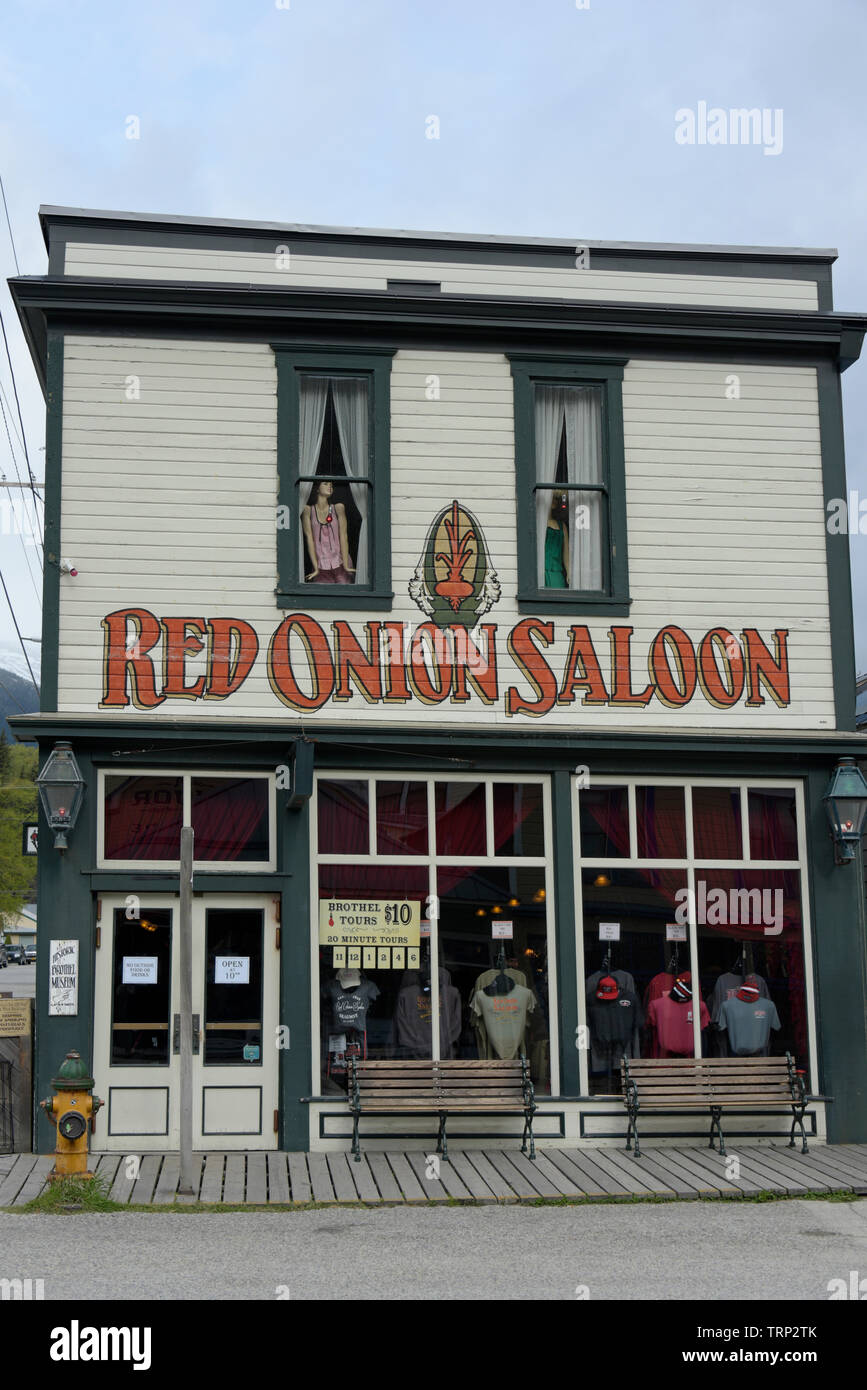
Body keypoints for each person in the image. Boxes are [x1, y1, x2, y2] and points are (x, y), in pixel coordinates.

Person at [302, 480, 355, 584]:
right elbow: (310, 539)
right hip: (321, 564)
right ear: (317, 488)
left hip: (340, 561)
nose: (329, 486)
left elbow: (343, 536)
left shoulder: (338, 508)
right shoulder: (308, 510)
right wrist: (316, 568)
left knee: (344, 593)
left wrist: (346, 565)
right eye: (325, 484)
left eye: (331, 485)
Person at [544, 491, 569, 588]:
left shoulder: (561, 526)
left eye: (556, 498)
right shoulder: (539, 523)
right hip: (542, 571)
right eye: (552, 498)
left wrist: (569, 571)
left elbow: (566, 552)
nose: (555, 501)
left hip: (557, 572)